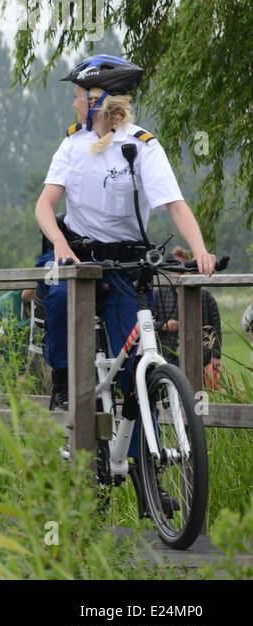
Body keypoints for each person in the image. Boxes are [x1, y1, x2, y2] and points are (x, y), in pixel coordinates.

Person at [34, 54, 215, 415]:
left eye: (77, 95)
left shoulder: (143, 146)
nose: (74, 102)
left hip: (125, 262)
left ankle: (136, 461)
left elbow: (175, 204)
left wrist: (201, 250)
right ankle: (64, 381)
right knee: (57, 293)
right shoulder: (72, 145)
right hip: (77, 252)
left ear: (97, 100)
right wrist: (58, 242)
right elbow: (44, 206)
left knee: (131, 367)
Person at [152, 247, 223, 389]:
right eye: (176, 265)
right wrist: (165, 326)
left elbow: (215, 327)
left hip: (199, 356)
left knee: (198, 394)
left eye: (182, 265)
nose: (179, 269)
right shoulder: (158, 293)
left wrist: (215, 355)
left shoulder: (205, 295)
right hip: (167, 355)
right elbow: (147, 324)